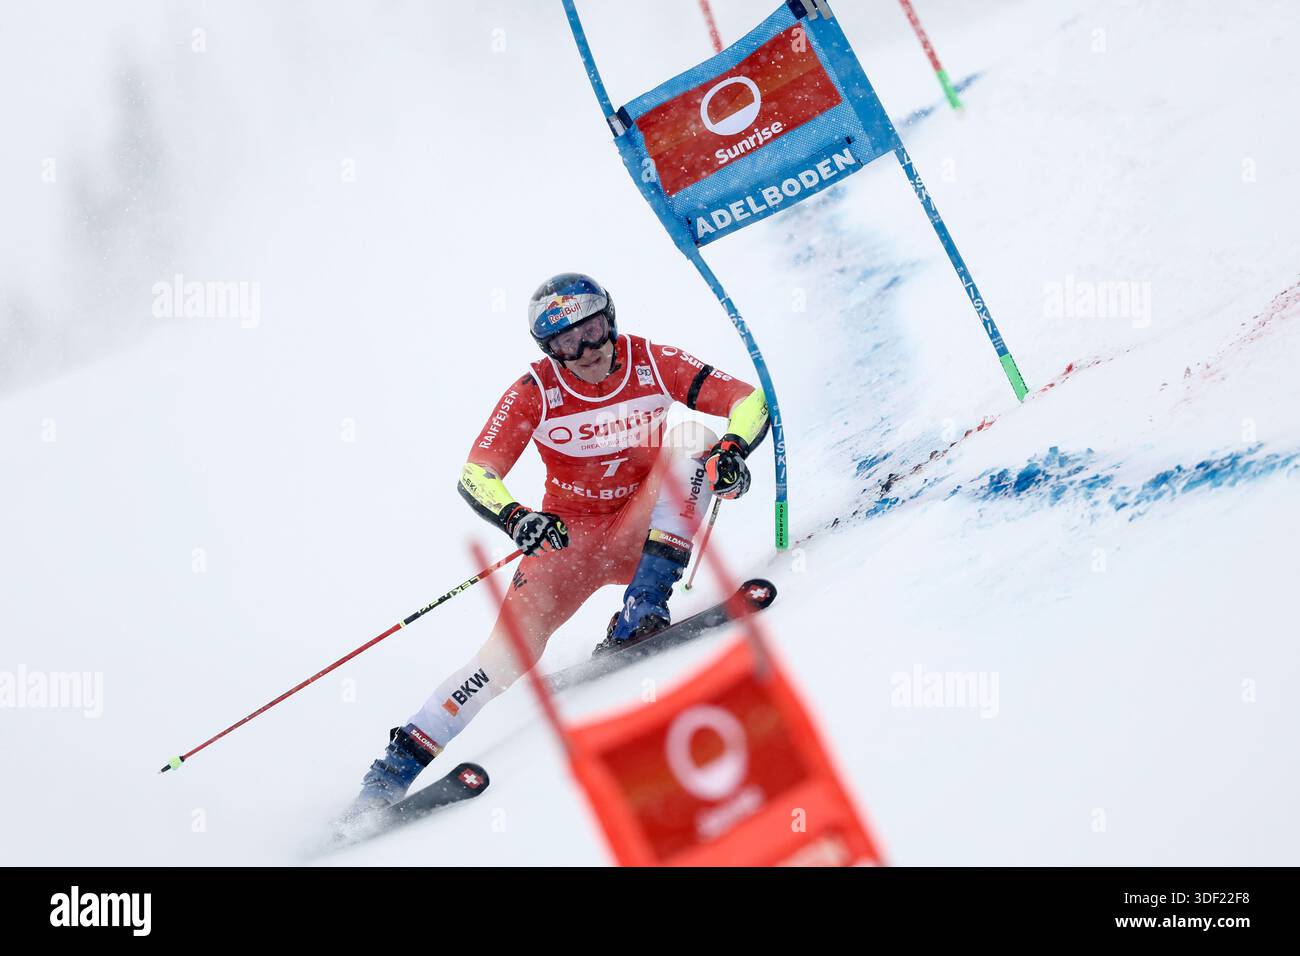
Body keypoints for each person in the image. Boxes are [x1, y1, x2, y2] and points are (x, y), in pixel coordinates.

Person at [346, 273, 769, 814]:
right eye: (568, 342)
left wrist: (732, 451)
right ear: (548, 349)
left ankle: (643, 606)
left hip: (645, 526)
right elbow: (477, 473)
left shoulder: (654, 360)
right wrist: (517, 517)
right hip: (566, 543)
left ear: (610, 318)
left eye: (593, 329)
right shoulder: (535, 390)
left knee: (697, 440)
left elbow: (748, 401)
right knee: (501, 661)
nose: (587, 350)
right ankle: (388, 776)